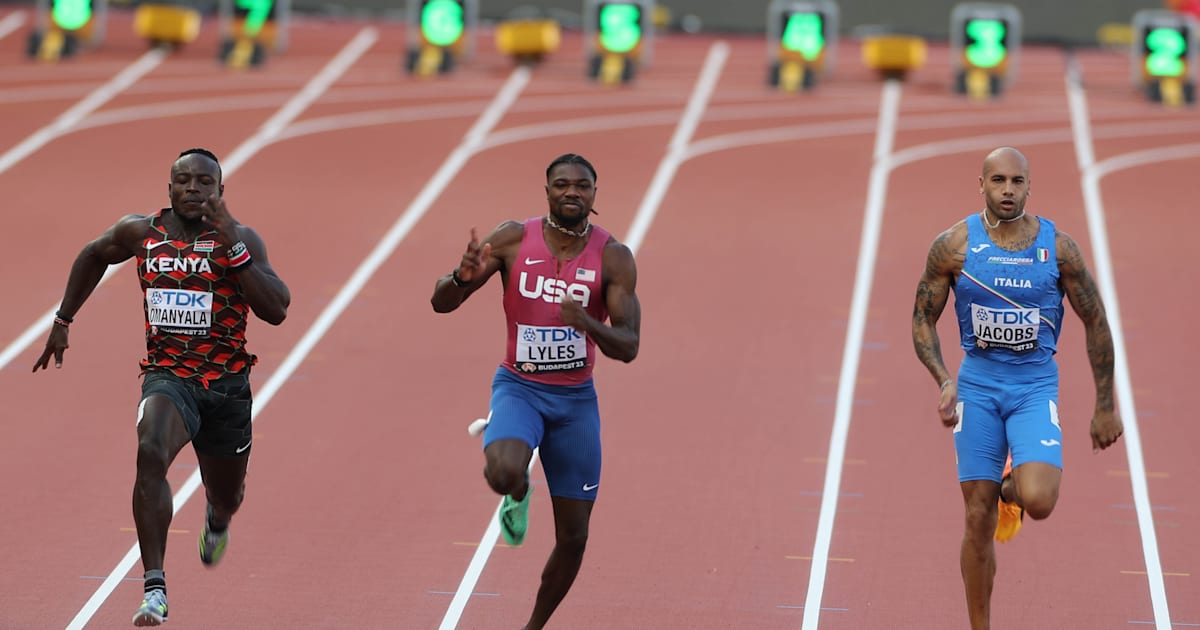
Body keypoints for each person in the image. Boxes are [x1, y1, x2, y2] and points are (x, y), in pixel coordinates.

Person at [33, 148, 291, 627]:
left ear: (220, 191)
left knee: (227, 494)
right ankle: (154, 587)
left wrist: (235, 248)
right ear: (169, 188)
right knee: (150, 449)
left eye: (204, 182)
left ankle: (217, 518)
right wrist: (64, 318)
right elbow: (93, 254)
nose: (193, 189)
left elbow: (277, 309)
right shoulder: (141, 232)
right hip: (169, 377)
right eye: (183, 181)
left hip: (227, 388)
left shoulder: (239, 238)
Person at [911, 146, 1124, 630]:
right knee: (977, 518)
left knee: (1040, 501)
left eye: (1017, 182)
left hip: (1033, 387)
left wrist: (1104, 406)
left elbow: (1095, 321)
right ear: (981, 185)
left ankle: (1013, 486)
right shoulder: (954, 246)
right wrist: (944, 380)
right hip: (978, 387)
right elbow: (923, 316)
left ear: (1029, 186)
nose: (1008, 190)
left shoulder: (1059, 249)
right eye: (998, 181)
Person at [431, 153, 641, 630]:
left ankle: (533, 626)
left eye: (582, 186)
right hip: (519, 387)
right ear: (546, 191)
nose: (572, 192)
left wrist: (586, 322)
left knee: (574, 537)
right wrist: (460, 278)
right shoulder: (511, 239)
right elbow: (442, 303)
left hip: (574, 404)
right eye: (562, 184)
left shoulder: (613, 257)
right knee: (502, 472)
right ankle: (519, 489)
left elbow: (629, 346)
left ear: (594, 195)